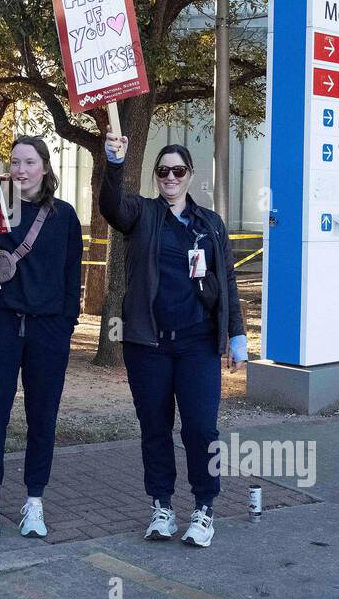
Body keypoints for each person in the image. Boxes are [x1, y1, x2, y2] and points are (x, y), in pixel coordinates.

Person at [98, 132, 247, 548]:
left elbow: (228, 281)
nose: (170, 177)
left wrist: (237, 335)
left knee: (200, 429)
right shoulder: (142, 215)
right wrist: (113, 162)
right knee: (155, 428)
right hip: (149, 346)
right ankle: (162, 506)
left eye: (177, 171)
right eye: (162, 171)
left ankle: (204, 508)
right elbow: (110, 205)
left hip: (197, 345)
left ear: (189, 176)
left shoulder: (210, 224)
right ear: (155, 177)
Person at [0, 137, 83, 538]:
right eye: (14, 162)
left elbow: (71, 277)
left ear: (45, 168)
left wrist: (66, 324)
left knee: (43, 414)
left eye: (29, 162)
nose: (21, 169)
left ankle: (34, 501)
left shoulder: (64, 216)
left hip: (48, 328)